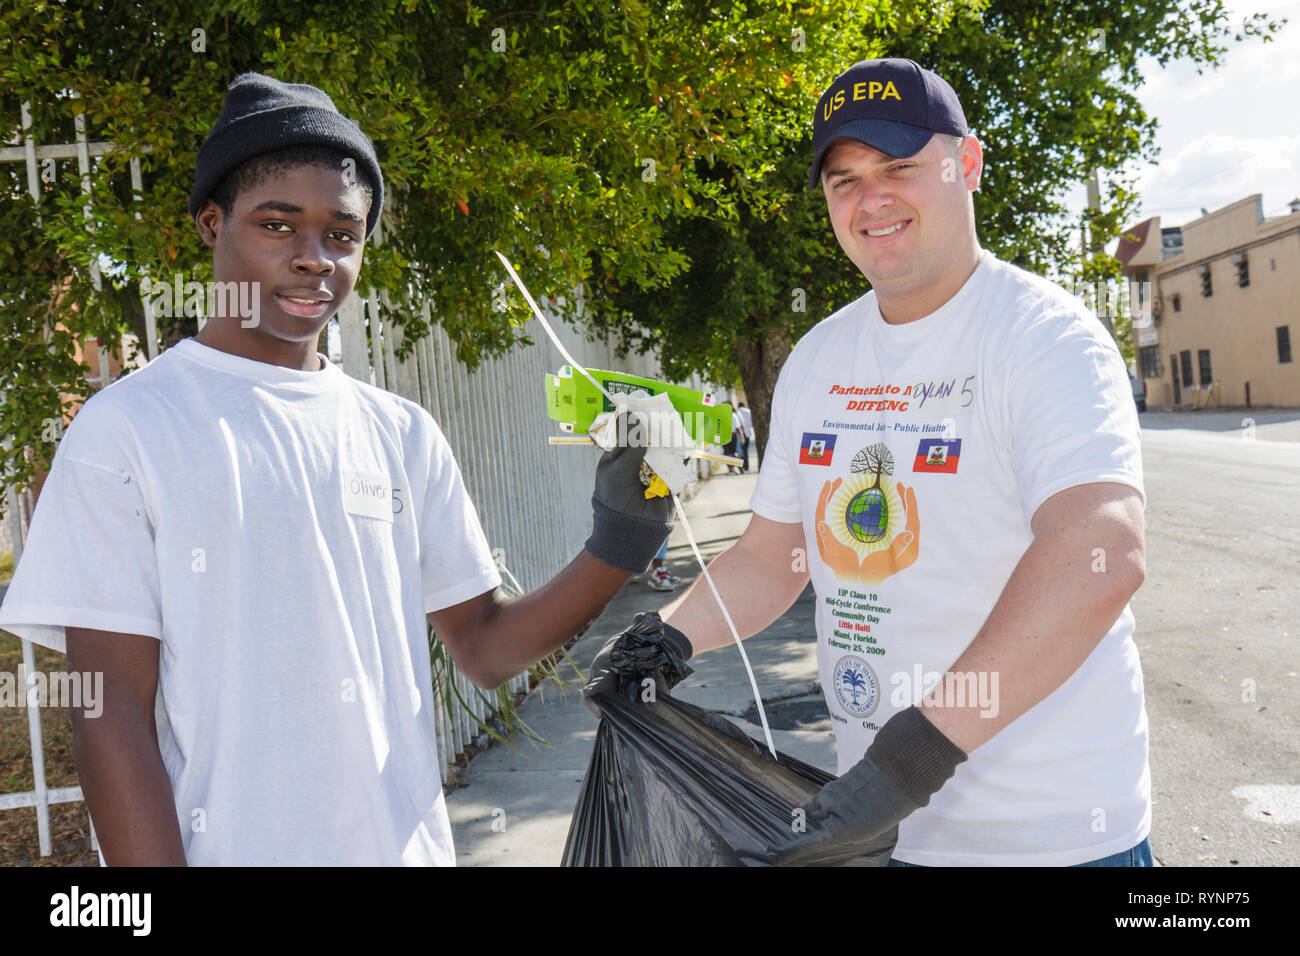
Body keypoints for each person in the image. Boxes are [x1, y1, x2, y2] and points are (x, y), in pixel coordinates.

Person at [0, 73, 673, 866]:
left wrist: (619, 544)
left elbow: (486, 648)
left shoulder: (399, 432)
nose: (314, 259)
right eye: (277, 226)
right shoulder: (129, 429)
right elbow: (108, 708)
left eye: (342, 235)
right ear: (212, 224)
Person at [585, 58, 1151, 867]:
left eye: (899, 167)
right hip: (878, 835)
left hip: (1055, 837)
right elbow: (770, 558)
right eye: (844, 178)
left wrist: (909, 761)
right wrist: (664, 638)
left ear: (969, 164)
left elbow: (1101, 557)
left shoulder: (1043, 338)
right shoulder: (821, 357)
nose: (871, 199)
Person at [736, 402, 754, 472]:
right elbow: (750, 423)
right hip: (747, 433)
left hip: (741, 434)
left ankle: (743, 465)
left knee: (741, 450)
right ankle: (747, 466)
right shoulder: (748, 411)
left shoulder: (737, 412)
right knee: (746, 450)